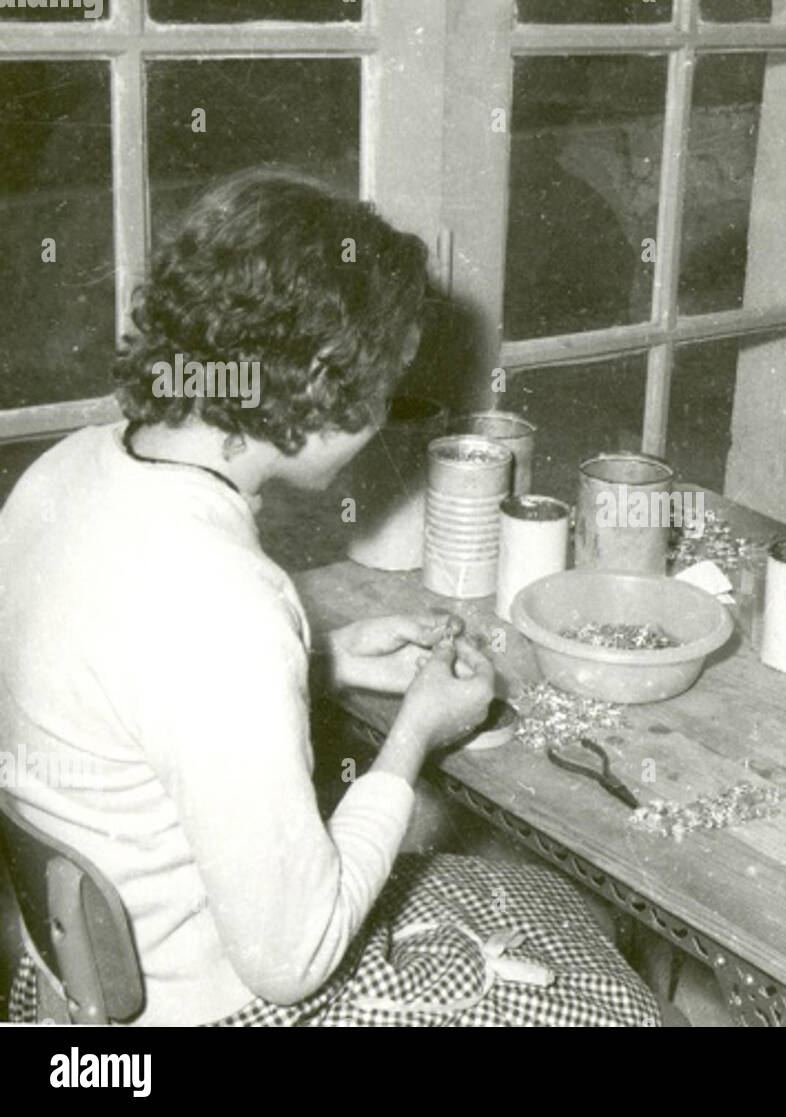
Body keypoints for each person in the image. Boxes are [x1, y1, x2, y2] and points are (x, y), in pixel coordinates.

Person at [0, 169, 659, 1026]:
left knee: (549, 905)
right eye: (384, 386)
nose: (386, 413)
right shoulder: (224, 599)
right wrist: (416, 733)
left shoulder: (70, 468)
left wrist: (325, 659)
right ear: (318, 383)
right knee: (611, 994)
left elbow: (135, 691)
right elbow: (292, 960)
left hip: (62, 984)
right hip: (206, 1011)